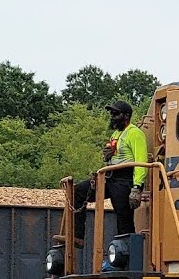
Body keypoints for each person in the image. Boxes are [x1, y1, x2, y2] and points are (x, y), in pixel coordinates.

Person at [57, 100, 149, 248]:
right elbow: (116, 156)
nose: (112, 116)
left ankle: (128, 256)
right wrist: (107, 156)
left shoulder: (135, 134)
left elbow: (141, 162)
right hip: (110, 177)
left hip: (125, 180)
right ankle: (77, 236)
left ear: (126, 116)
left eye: (115, 114)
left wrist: (137, 187)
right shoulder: (116, 134)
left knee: (123, 217)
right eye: (111, 113)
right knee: (79, 191)